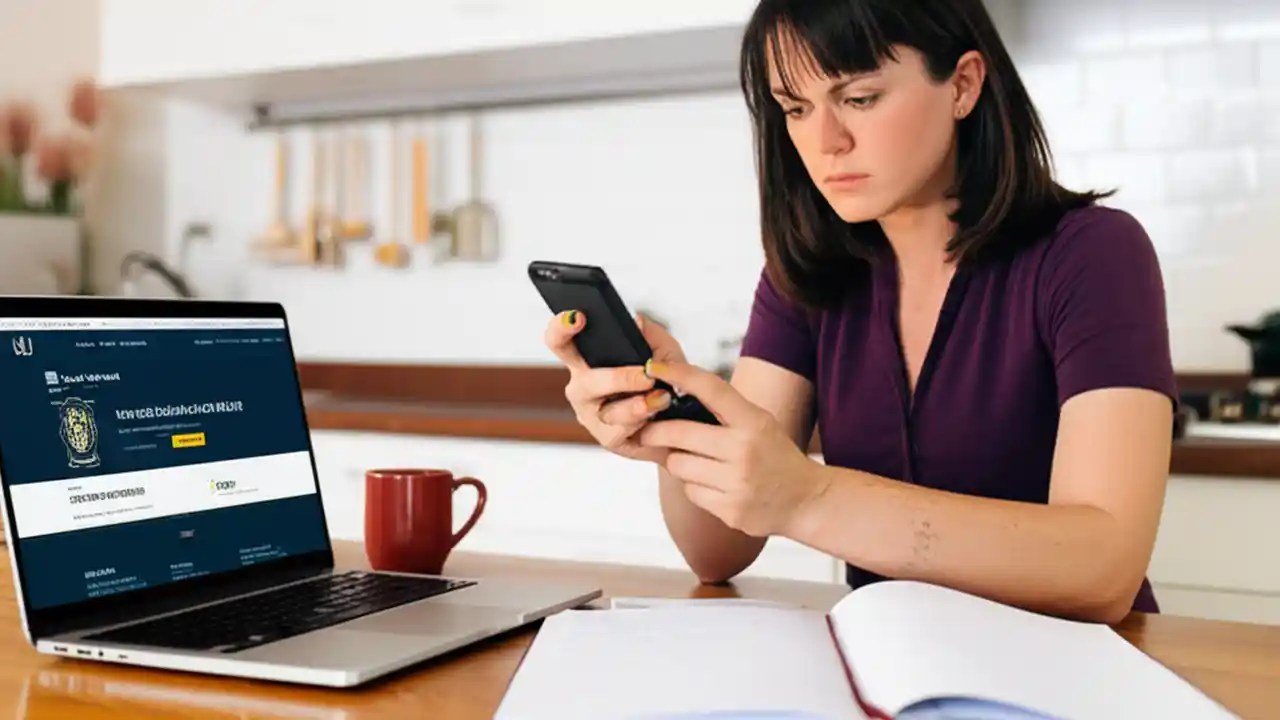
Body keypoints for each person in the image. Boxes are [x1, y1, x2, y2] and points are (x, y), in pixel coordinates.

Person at [543, 0, 1175, 624]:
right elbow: (717, 551)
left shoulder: (1093, 254)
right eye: (795, 108)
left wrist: (809, 497)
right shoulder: (808, 277)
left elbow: (1103, 570)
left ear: (963, 84)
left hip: (1080, 676)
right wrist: (670, 423)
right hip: (894, 665)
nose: (825, 142)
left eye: (860, 99)